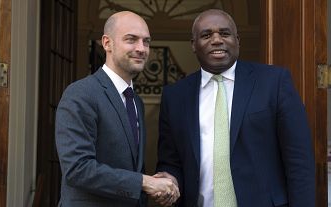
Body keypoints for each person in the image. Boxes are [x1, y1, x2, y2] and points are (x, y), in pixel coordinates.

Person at [156, 9, 315, 207]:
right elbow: (170, 161)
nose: (216, 40)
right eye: (206, 35)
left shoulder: (274, 83)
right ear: (193, 45)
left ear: (237, 40)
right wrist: (169, 180)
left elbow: (299, 162)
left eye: (224, 33)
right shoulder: (175, 96)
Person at [55, 11, 179, 207]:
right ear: (107, 43)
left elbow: (128, 167)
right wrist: (145, 182)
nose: (141, 48)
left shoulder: (135, 100)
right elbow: (78, 169)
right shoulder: (80, 93)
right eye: (131, 39)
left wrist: (156, 183)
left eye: (146, 41)